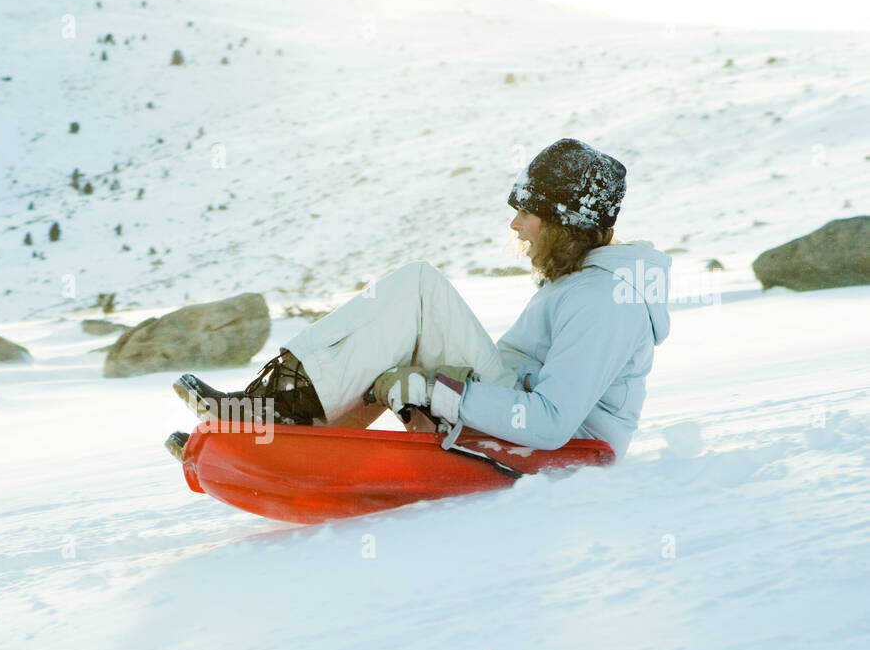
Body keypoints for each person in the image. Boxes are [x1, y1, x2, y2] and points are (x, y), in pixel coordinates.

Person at [167, 138, 671, 462]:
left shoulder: (606, 300)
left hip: (565, 448)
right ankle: (291, 430)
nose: (516, 225)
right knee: (414, 305)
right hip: (521, 415)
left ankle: (277, 415)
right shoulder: (582, 284)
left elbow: (551, 422)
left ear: (566, 221)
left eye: (528, 212)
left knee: (419, 288)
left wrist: (439, 390)